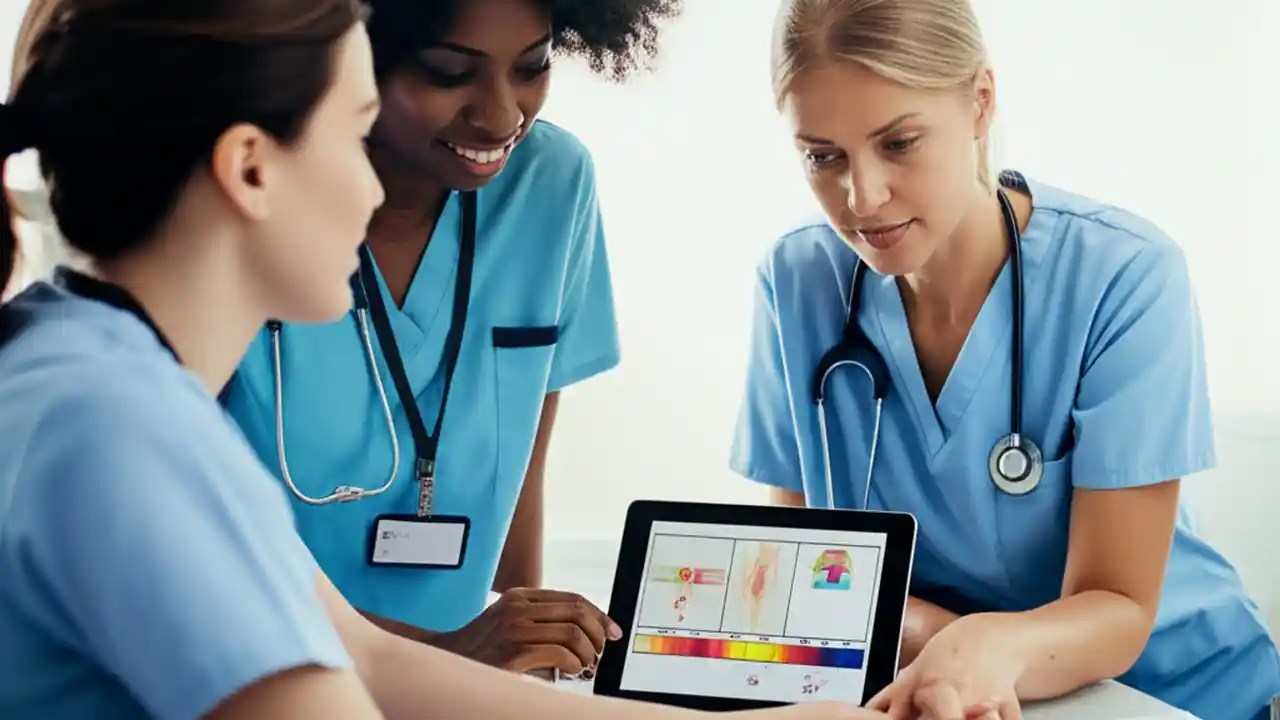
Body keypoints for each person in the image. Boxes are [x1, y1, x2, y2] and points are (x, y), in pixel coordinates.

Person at [0, 1, 894, 719]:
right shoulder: (118, 434)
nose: (375, 188)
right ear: (252, 169)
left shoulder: (96, 378)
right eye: (354, 133)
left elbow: (368, 656)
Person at [730, 1, 1280, 719]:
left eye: (898, 143)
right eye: (822, 156)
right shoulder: (798, 280)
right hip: (945, 690)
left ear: (980, 102)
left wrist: (971, 646)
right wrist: (943, 641)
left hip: (1168, 693)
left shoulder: (1124, 277)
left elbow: (1116, 606)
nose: (861, 197)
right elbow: (807, 571)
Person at [215, 0, 677, 677]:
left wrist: (531, 657)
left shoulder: (549, 184)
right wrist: (443, 657)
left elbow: (524, 463)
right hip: (264, 672)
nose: (501, 116)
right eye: (446, 72)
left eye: (533, 66)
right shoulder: (244, 205)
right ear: (350, 59)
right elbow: (180, 564)